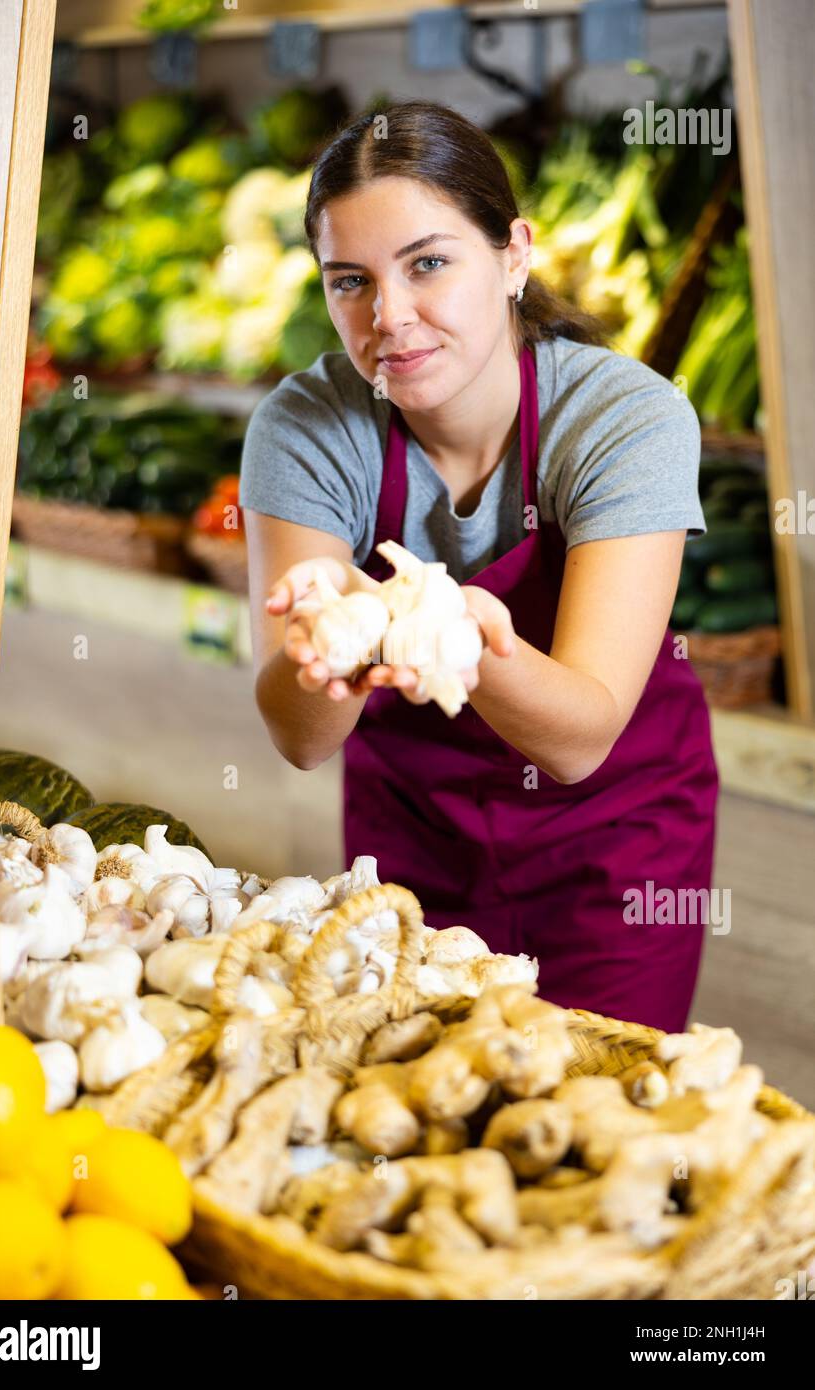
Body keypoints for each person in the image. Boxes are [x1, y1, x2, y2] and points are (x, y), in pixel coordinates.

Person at [240, 100, 719, 1033]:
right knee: (417, 1114)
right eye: (350, 281)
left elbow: (581, 737)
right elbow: (300, 740)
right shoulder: (302, 432)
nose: (389, 318)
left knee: (599, 1117)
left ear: (513, 256)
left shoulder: (626, 419)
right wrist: (330, 645)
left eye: (428, 264)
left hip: (614, 848)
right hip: (412, 839)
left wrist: (462, 636)